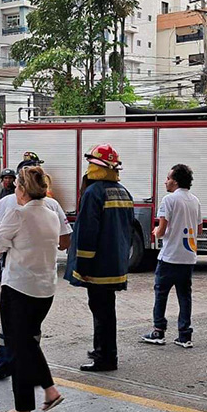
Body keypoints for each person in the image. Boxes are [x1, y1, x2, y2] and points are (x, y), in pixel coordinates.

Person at [0, 166, 64, 412]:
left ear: (21, 189)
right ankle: (50, 389)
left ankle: (22, 409)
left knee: (18, 346)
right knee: (28, 341)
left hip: (19, 288)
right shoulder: (52, 213)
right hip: (45, 289)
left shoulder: (18, 214)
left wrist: (0, 240)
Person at [65, 144, 134, 372]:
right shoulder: (123, 191)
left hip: (97, 267)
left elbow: (87, 233)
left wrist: (82, 265)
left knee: (100, 311)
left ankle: (104, 357)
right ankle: (105, 352)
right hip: (115, 264)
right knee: (106, 310)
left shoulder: (93, 193)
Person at [141, 164, 203, 349]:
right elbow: (199, 229)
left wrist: (155, 231)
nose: (165, 182)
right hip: (188, 257)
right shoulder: (195, 200)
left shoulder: (168, 200)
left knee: (161, 294)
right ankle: (185, 335)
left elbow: (161, 230)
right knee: (185, 296)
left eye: (168, 178)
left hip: (169, 256)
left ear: (175, 181)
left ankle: (158, 331)